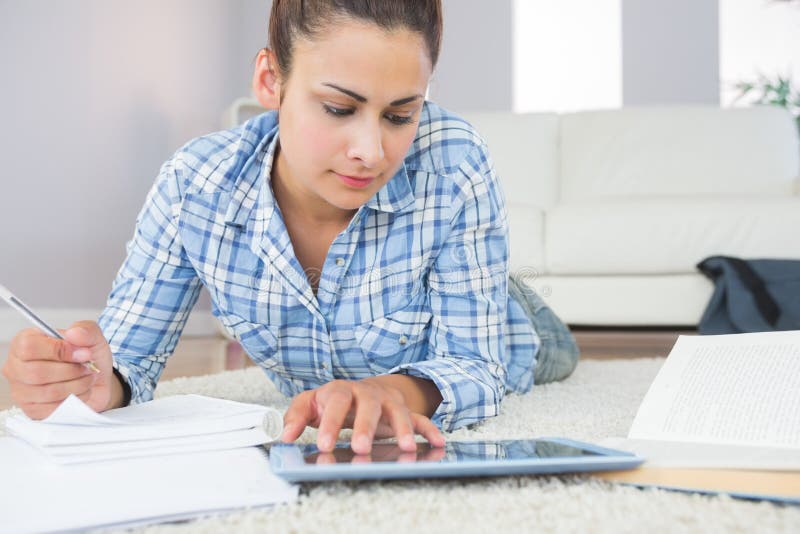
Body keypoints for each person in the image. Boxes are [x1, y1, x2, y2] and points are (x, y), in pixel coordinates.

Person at [1, 0, 578, 455]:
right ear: (270, 81)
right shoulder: (195, 187)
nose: (371, 152)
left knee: (549, 354)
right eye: (338, 108)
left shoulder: (453, 161)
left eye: (401, 114)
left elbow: (478, 366)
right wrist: (97, 383)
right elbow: (128, 358)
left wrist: (387, 393)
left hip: (507, 319)